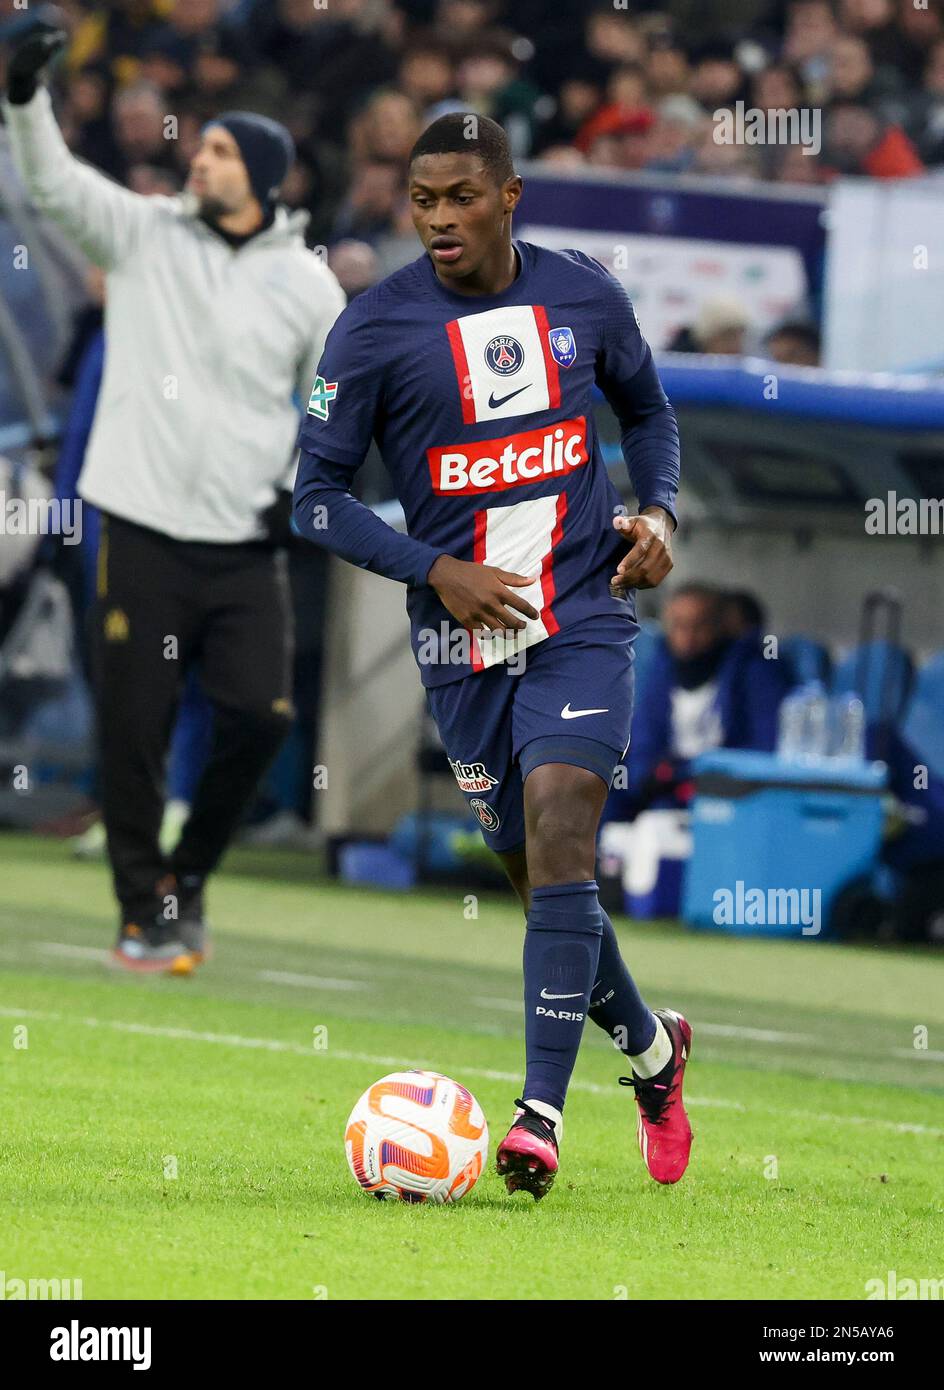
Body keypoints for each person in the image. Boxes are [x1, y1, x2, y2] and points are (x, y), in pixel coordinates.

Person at [293, 113, 692, 1200]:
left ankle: (537, 1119)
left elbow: (647, 408)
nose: (436, 220)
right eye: (421, 200)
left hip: (581, 611)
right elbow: (313, 502)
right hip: (458, 641)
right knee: (538, 879)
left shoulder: (584, 297)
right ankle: (655, 1054)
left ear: (508, 196)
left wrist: (656, 508)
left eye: (459, 197)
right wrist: (435, 570)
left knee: (565, 824)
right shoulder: (370, 331)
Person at [3, 22, 346, 974]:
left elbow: (331, 399)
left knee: (261, 716)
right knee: (135, 730)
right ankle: (137, 911)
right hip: (140, 529)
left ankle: (185, 880)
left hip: (245, 540)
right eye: (204, 147)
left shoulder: (309, 287)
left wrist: (302, 486)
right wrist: (26, 95)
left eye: (227, 152)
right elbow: (54, 186)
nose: (203, 159)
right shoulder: (146, 235)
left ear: (270, 176)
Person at [605, 583, 787, 822]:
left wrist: (697, 775)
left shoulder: (755, 673)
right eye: (679, 626)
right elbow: (643, 744)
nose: (688, 637)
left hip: (726, 794)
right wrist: (654, 777)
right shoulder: (661, 669)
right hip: (667, 792)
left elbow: (763, 750)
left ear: (722, 627)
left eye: (699, 626)